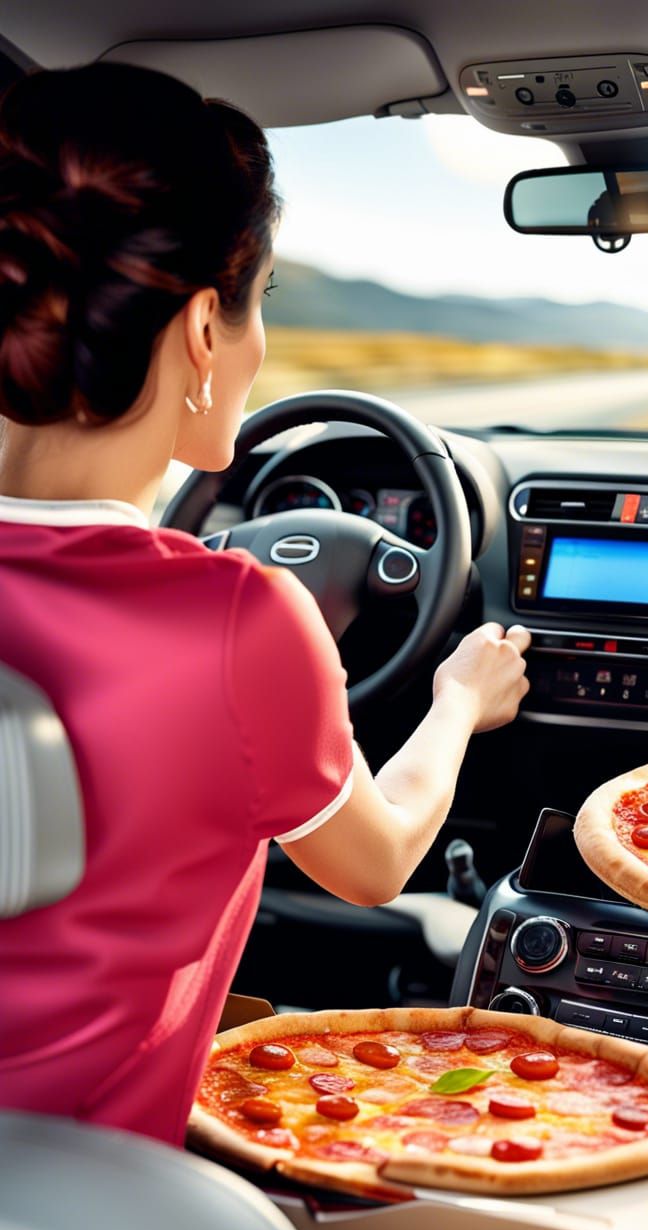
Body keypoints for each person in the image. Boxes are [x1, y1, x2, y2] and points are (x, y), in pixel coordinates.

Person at [0, 63, 530, 1146]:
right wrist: (457, 704)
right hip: (86, 1212)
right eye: (262, 303)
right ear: (204, 330)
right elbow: (375, 868)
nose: (257, 347)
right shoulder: (238, 613)